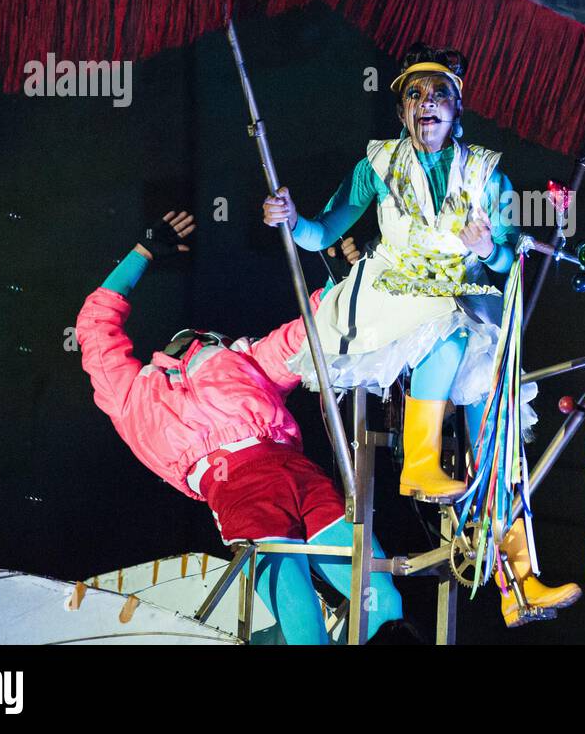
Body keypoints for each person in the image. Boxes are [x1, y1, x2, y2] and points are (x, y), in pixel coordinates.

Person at [263, 42, 580, 627]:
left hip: (460, 296)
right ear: (402, 111)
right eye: (415, 95)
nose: (426, 105)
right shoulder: (376, 165)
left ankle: (517, 579)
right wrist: (291, 218)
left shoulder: (487, 172)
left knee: (497, 417)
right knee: (449, 334)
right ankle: (421, 461)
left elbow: (510, 259)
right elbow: (321, 232)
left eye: (439, 96)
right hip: (390, 300)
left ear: (458, 109)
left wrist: (489, 249)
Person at [75, 210, 409, 644]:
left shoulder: (244, 359)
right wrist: (142, 253)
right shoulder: (135, 395)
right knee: (307, 635)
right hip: (242, 492)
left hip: (304, 480)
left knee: (384, 605)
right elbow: (95, 328)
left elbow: (307, 333)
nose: (201, 341)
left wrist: (341, 281)